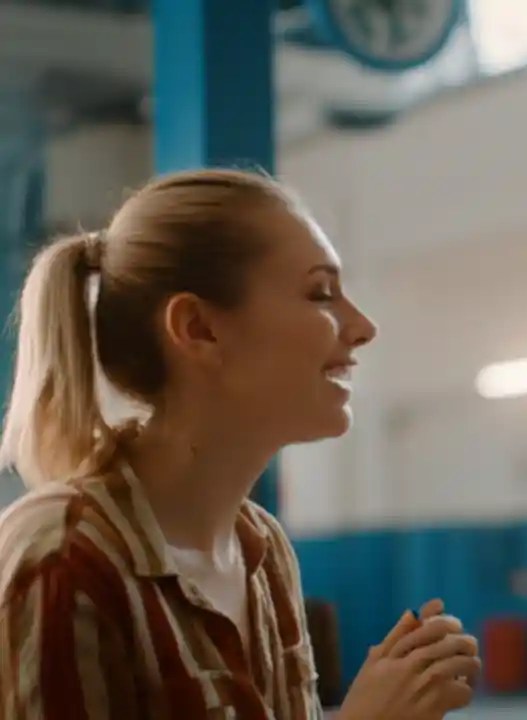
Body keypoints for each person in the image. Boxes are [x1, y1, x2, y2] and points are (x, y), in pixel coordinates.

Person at [0, 168, 481, 719]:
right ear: (199, 328)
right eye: (320, 293)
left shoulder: (264, 551)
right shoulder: (63, 562)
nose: (363, 326)